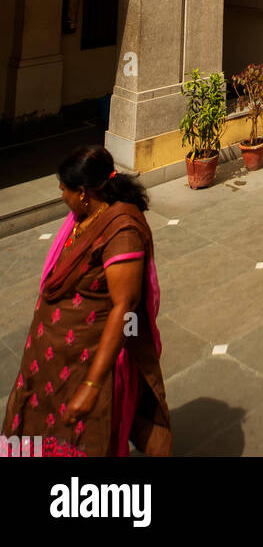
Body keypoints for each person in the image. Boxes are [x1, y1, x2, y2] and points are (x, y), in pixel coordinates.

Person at [2, 145, 171, 457]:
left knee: (83, 443)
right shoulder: (84, 218)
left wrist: (92, 387)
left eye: (64, 189)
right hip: (50, 362)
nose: (61, 194)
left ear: (83, 192)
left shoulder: (122, 232)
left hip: (86, 365)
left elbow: (124, 308)